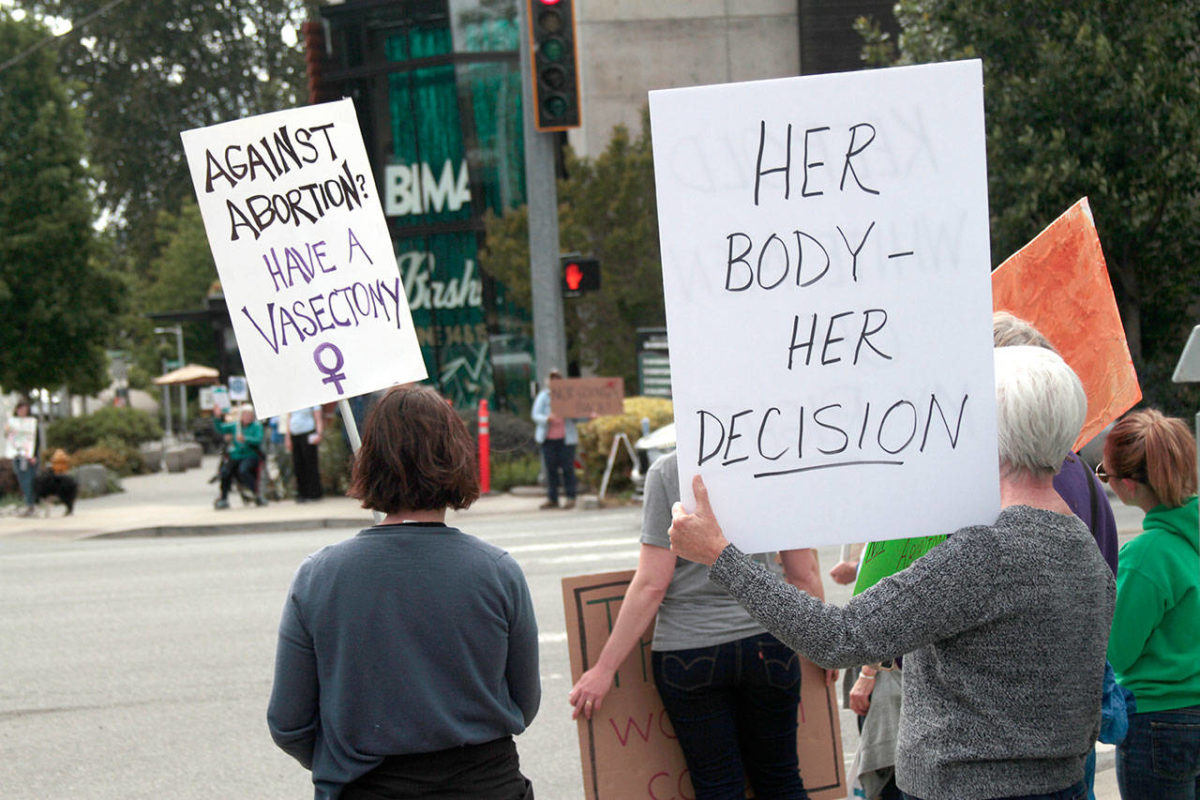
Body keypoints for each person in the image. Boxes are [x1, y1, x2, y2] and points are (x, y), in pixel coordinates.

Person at [669, 346, 1114, 800]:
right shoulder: (1077, 542)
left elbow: (838, 636)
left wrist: (720, 555)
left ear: (986, 429)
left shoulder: (991, 550)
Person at [267, 385, 540, 800]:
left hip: (366, 784)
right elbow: (525, 700)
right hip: (486, 784)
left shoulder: (318, 577)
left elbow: (289, 724)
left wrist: (342, 761)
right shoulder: (498, 572)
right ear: (457, 457)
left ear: (368, 463)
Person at [569, 449, 827, 799]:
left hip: (688, 651)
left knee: (718, 787)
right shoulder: (770, 460)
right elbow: (804, 574)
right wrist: (822, 643)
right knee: (781, 780)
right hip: (768, 641)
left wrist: (603, 669)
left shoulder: (668, 470)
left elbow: (652, 585)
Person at [1098, 409, 1200, 799]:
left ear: (1128, 486)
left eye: (1104, 474)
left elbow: (1118, 652)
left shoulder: (1145, 558)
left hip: (1158, 719)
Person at [531, 369, 578, 509]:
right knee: (550, 470)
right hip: (548, 439)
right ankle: (553, 498)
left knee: (568, 469)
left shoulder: (569, 396)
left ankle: (571, 497)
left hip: (566, 439)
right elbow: (535, 415)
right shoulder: (543, 396)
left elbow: (578, 414)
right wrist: (547, 418)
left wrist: (589, 414)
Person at [213, 404, 264, 509]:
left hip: (250, 454)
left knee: (244, 470)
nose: (247, 417)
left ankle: (257, 494)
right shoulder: (235, 426)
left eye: (249, 415)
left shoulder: (257, 426)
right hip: (236, 455)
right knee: (225, 472)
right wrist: (217, 417)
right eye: (245, 414)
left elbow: (258, 440)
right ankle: (224, 498)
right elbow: (221, 429)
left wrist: (246, 439)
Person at [283, 405, 324, 502]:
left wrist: (319, 433)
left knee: (310, 463)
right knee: (298, 464)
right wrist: (287, 437)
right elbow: (288, 419)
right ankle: (302, 493)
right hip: (295, 434)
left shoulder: (312, 402)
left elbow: (318, 418)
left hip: (308, 433)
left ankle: (314, 492)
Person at [5, 399, 38, 516]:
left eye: (25, 410)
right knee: (22, 480)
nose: (22, 412)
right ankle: (28, 504)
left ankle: (31, 504)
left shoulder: (31, 423)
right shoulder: (13, 422)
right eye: (20, 409)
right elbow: (8, 438)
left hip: (28, 456)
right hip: (17, 455)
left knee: (29, 480)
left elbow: (34, 440)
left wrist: (34, 455)